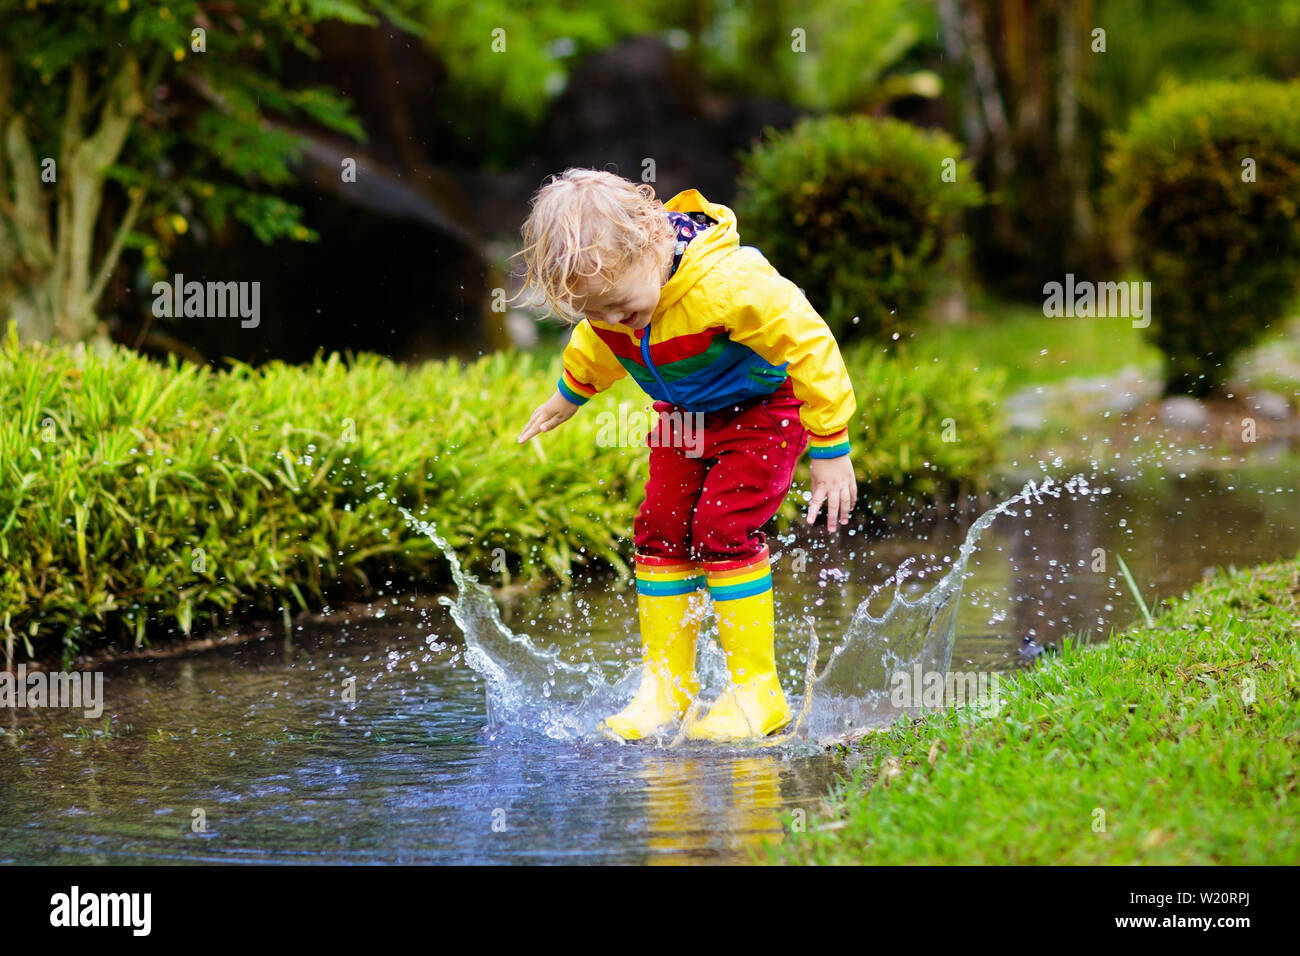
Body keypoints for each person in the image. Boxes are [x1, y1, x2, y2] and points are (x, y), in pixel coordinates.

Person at [513, 169, 857, 742]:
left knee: (722, 528)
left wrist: (831, 445)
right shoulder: (611, 304)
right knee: (661, 528)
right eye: (595, 313)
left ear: (652, 241)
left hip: (762, 412)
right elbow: (596, 343)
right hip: (684, 421)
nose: (614, 323)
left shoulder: (728, 282)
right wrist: (568, 395)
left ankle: (757, 692)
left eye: (621, 308)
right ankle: (665, 690)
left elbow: (809, 342)